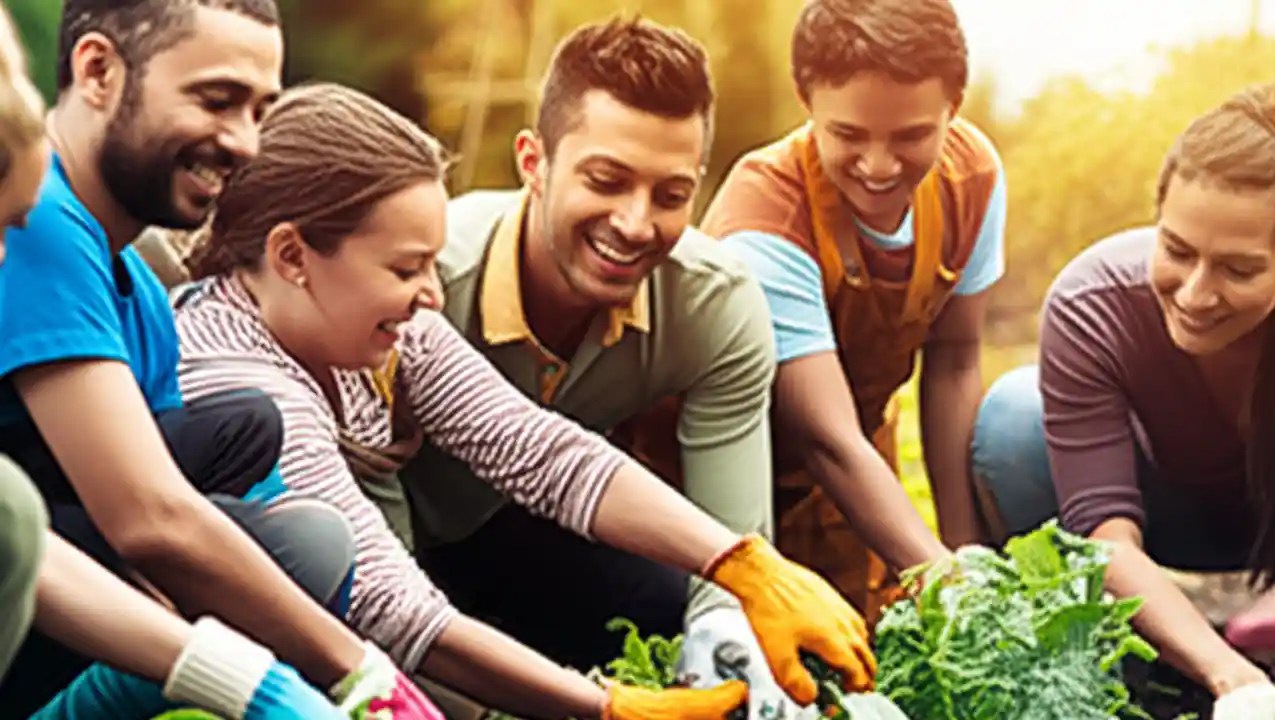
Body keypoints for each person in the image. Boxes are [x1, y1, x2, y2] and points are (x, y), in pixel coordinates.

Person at [175, 80, 876, 720]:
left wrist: (739, 561)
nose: (431, 293)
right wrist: (603, 708)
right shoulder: (242, 379)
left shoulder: (371, 322)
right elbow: (387, 606)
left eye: (430, 262)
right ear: (293, 257)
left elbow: (537, 449)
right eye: (405, 268)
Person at [0, 1, 437, 715]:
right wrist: (356, 670)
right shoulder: (40, 222)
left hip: (77, 582)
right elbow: (148, 518)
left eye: (260, 110)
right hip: (29, 598)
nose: (243, 142)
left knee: (260, 461)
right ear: (98, 71)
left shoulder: (140, 283)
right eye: (216, 100)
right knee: (298, 550)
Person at [399, 14, 780, 687]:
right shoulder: (418, 286)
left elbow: (733, 549)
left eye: (670, 195)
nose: (635, 224)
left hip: (537, 543)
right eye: (606, 180)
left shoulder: (712, 302)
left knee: (671, 607)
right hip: (389, 548)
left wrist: (724, 633)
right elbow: (365, 585)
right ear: (533, 164)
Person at [630, 0, 1003, 624]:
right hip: (708, 479)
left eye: (913, 135)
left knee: (865, 647)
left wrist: (964, 550)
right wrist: (944, 579)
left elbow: (956, 359)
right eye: (848, 135)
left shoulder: (974, 177)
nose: (880, 167)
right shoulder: (766, 218)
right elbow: (825, 439)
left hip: (854, 471)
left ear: (953, 108)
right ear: (807, 103)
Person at [970, 81, 1275, 719]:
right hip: (1172, 511)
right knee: (1013, 422)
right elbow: (1103, 536)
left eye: (1239, 270)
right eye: (1177, 250)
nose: (1195, 292)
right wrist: (1232, 678)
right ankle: (1136, 652)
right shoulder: (1095, 303)